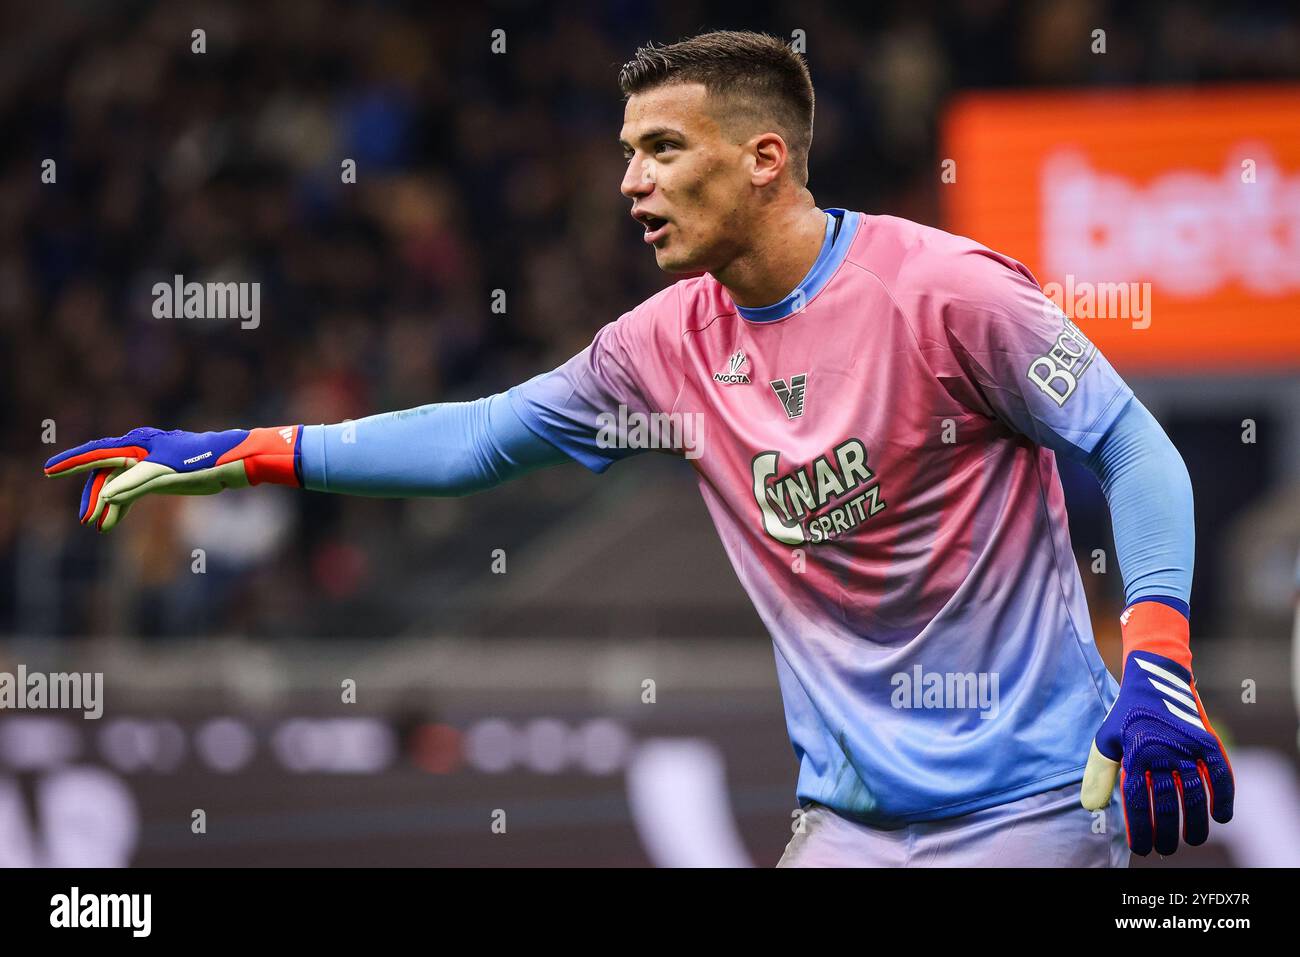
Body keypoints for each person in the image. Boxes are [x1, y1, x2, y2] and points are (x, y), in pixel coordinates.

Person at [44, 30, 1233, 866]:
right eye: (625, 152)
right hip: (849, 820)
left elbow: (1133, 449)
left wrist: (1161, 657)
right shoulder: (658, 347)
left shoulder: (945, 292)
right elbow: (476, 439)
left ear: (764, 158)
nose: (629, 182)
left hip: (1029, 808)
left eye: (661, 149)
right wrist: (239, 451)